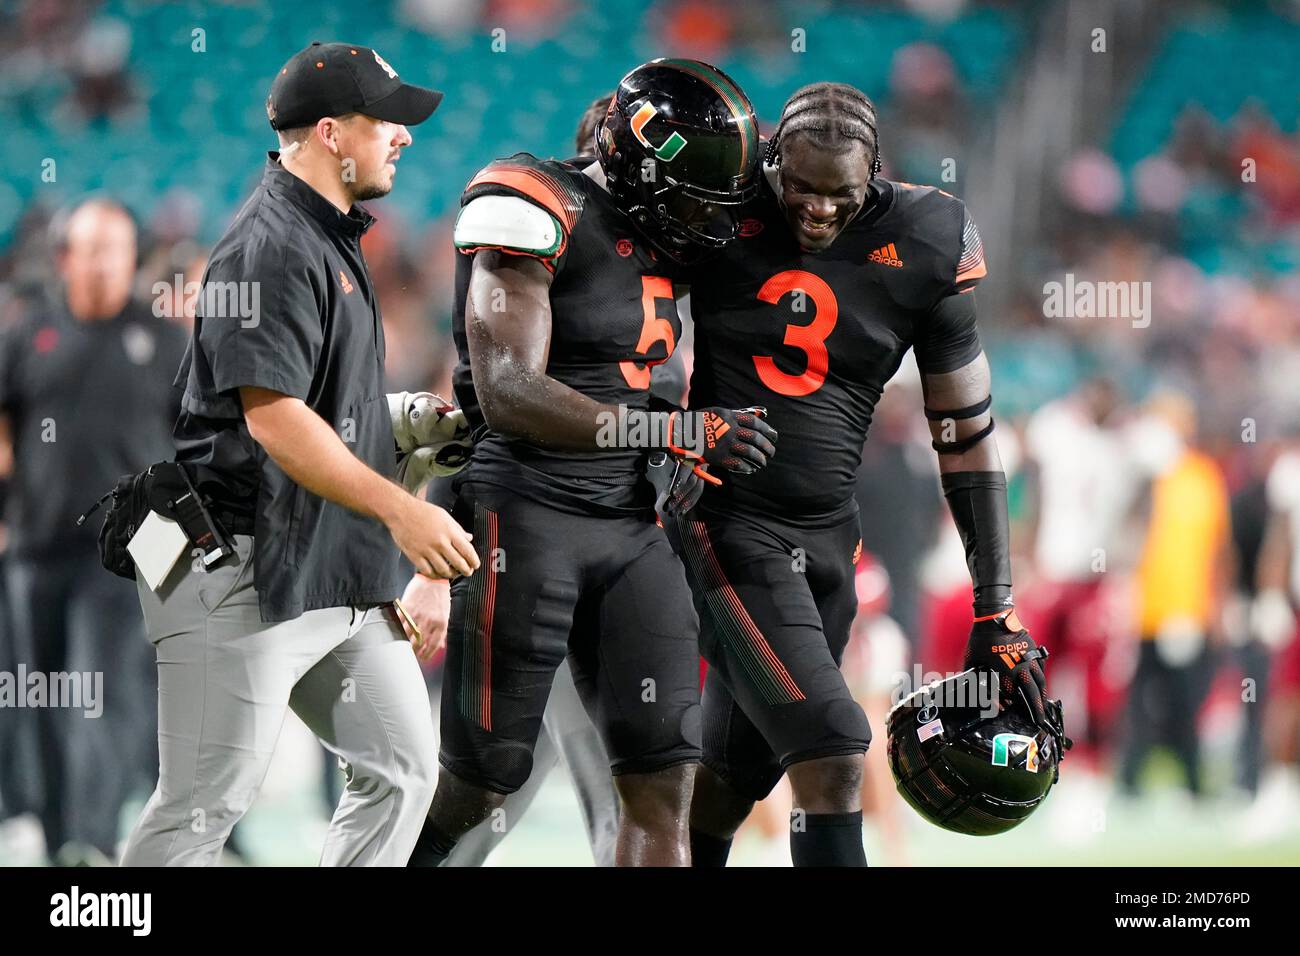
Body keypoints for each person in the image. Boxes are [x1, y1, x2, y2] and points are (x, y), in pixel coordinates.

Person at [665, 82, 1067, 866]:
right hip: (728, 525)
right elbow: (619, 309)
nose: (815, 210)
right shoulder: (720, 205)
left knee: (728, 777)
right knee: (835, 749)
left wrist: (996, 606)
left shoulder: (928, 234)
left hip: (830, 541)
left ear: (876, 171)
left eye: (838, 194)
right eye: (800, 188)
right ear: (772, 162)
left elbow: (964, 432)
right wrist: (657, 433)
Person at [120, 41, 478, 867]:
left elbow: (317, 413)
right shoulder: (271, 244)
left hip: (322, 561)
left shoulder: (330, 232)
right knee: (200, 810)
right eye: (385, 120)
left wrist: (399, 420)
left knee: (401, 769)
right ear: (329, 133)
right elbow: (275, 421)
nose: (404, 135)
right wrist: (401, 507)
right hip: (236, 563)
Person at [409, 59, 774, 867]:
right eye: (691, 193)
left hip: (635, 526)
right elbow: (508, 394)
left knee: (661, 784)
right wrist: (673, 435)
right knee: (483, 781)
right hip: (528, 516)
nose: (705, 218)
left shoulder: (670, 230)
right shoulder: (533, 202)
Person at [0, 198, 187, 864]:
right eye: (92, 249)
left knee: (103, 692)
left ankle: (94, 841)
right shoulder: (28, 334)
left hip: (128, 555)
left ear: (134, 259)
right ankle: (56, 840)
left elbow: (197, 449)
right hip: (36, 547)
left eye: (118, 249)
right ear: (65, 257)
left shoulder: (167, 340)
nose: (107, 262)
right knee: (44, 697)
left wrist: (180, 544)